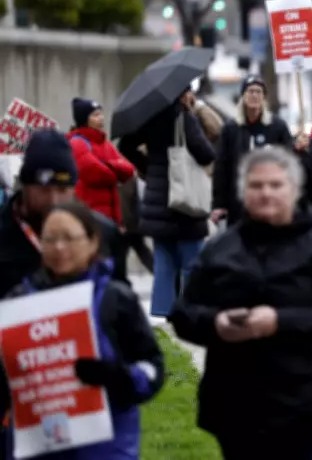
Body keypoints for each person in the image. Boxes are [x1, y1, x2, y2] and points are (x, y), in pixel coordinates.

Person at [170, 147, 312, 460]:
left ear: (295, 189)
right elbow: (183, 314)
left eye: (276, 185)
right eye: (256, 186)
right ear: (242, 191)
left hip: (306, 401)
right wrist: (216, 324)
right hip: (236, 403)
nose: (266, 194)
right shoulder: (220, 248)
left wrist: (279, 321)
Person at [3, 201, 164, 460]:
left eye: (69, 238)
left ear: (92, 242)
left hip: (107, 448)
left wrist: (119, 376)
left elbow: (153, 368)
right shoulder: (16, 303)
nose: (59, 247)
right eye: (50, 238)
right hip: (38, 446)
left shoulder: (116, 299)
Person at [119, 88, 216, 318]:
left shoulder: (150, 119)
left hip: (158, 202)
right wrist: (193, 114)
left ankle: (163, 314)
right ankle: (191, 312)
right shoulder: (185, 118)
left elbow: (125, 147)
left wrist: (148, 166)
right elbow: (206, 154)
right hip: (185, 203)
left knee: (164, 264)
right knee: (191, 263)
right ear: (182, 95)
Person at [0, 129, 127, 298]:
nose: (54, 201)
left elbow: (122, 302)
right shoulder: (4, 233)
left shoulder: (103, 233)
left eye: (62, 190)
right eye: (44, 190)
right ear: (25, 187)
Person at [211, 75, 293, 226]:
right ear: (243, 96)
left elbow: (289, 160)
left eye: (258, 92)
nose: (254, 96)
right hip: (238, 202)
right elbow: (221, 166)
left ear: (264, 97)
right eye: (250, 91)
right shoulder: (231, 128)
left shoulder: (277, 127)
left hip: (270, 200)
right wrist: (218, 203)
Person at [68, 98, 136, 226]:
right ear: (84, 120)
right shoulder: (77, 143)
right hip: (90, 216)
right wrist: (116, 169)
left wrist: (107, 164)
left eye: (101, 114)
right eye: (95, 115)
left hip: (112, 217)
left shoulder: (106, 144)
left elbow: (129, 170)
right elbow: (97, 174)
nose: (101, 118)